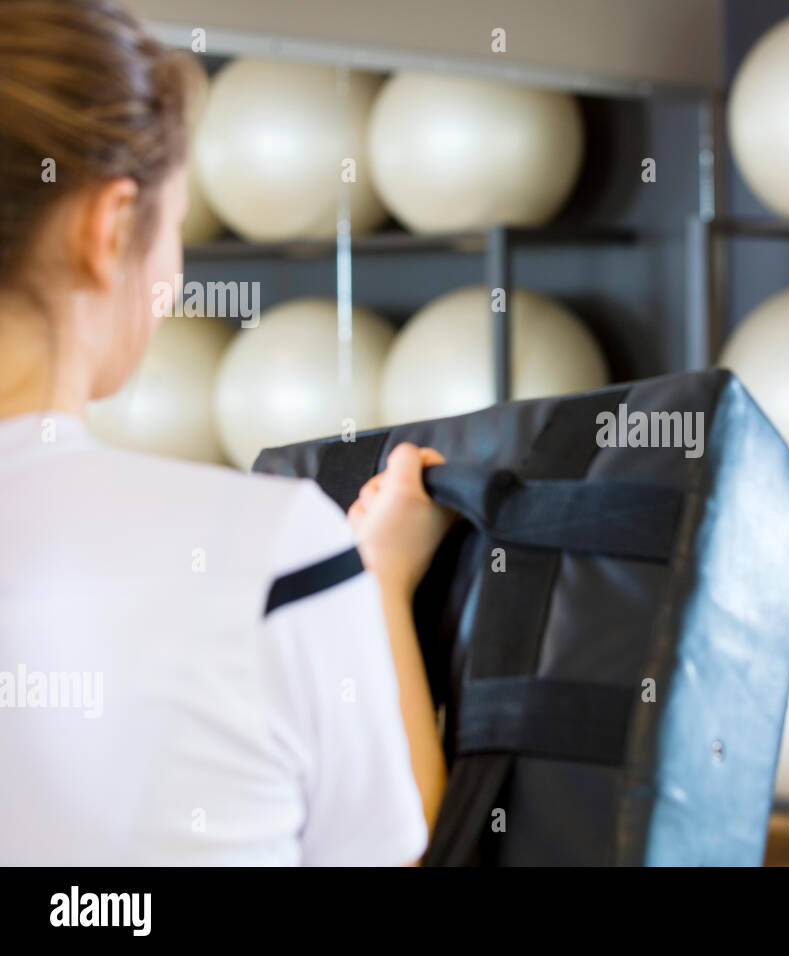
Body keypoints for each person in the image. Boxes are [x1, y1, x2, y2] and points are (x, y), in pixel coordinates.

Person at [0, 0, 451, 865]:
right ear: (107, 228)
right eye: (171, 228)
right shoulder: (273, 552)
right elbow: (394, 853)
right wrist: (376, 585)